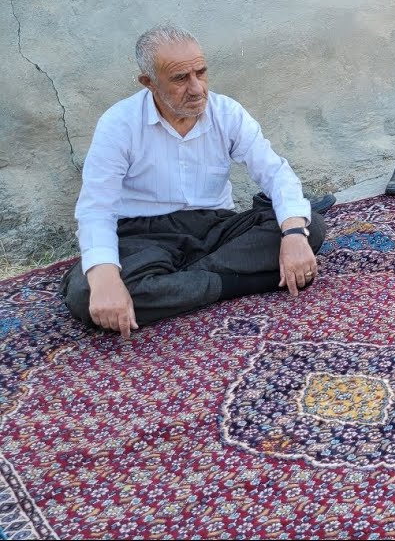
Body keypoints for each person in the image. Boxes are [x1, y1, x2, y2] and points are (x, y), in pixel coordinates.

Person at [60, 25, 327, 339]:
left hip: (214, 229)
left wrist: (294, 234)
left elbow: (275, 173)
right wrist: (104, 276)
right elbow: (96, 208)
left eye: (201, 73)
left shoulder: (226, 113)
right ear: (149, 83)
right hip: (143, 237)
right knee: (85, 293)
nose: (197, 88)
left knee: (311, 227)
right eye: (180, 78)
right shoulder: (119, 124)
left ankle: (170, 287)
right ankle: (235, 283)